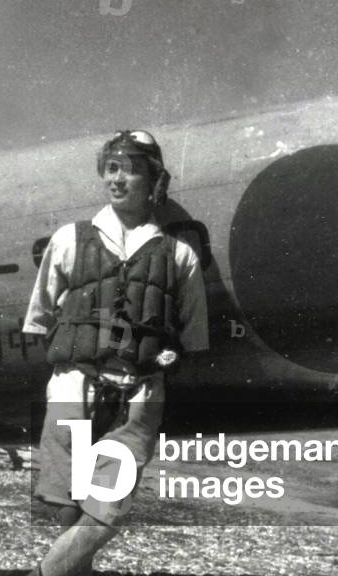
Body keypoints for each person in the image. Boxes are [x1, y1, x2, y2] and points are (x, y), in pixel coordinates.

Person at [22, 129, 209, 576]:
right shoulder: (69, 239)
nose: (117, 179)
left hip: (139, 394)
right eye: (111, 169)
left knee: (107, 510)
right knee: (70, 506)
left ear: (154, 180)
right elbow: (40, 315)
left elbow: (193, 335)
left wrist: (166, 355)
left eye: (130, 170)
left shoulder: (180, 256)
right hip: (73, 386)